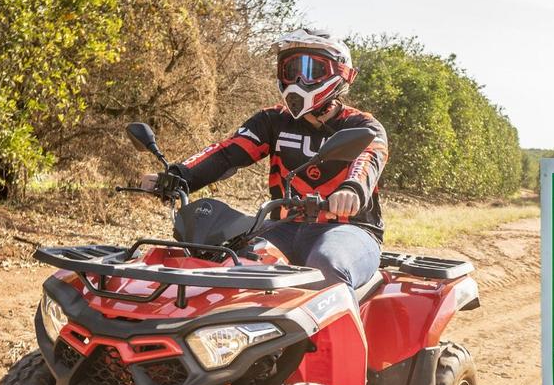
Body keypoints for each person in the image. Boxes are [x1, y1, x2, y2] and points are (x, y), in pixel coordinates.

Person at [140, 28, 388, 288]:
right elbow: (228, 153)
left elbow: (367, 161)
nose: (299, 79)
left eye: (312, 70)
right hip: (284, 226)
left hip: (350, 230)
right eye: (290, 70)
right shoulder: (272, 120)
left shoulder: (363, 126)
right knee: (228, 260)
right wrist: (177, 177)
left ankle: (340, 329)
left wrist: (352, 189)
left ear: (339, 74)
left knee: (326, 265)